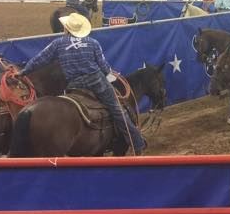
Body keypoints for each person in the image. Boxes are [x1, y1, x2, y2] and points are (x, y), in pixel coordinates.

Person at [20, 14, 146, 154]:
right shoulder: (93, 43)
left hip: (74, 85)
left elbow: (40, 59)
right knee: (117, 110)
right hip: (97, 82)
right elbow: (104, 67)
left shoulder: (58, 43)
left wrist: (24, 71)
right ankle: (136, 141)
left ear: (67, 28)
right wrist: (109, 72)